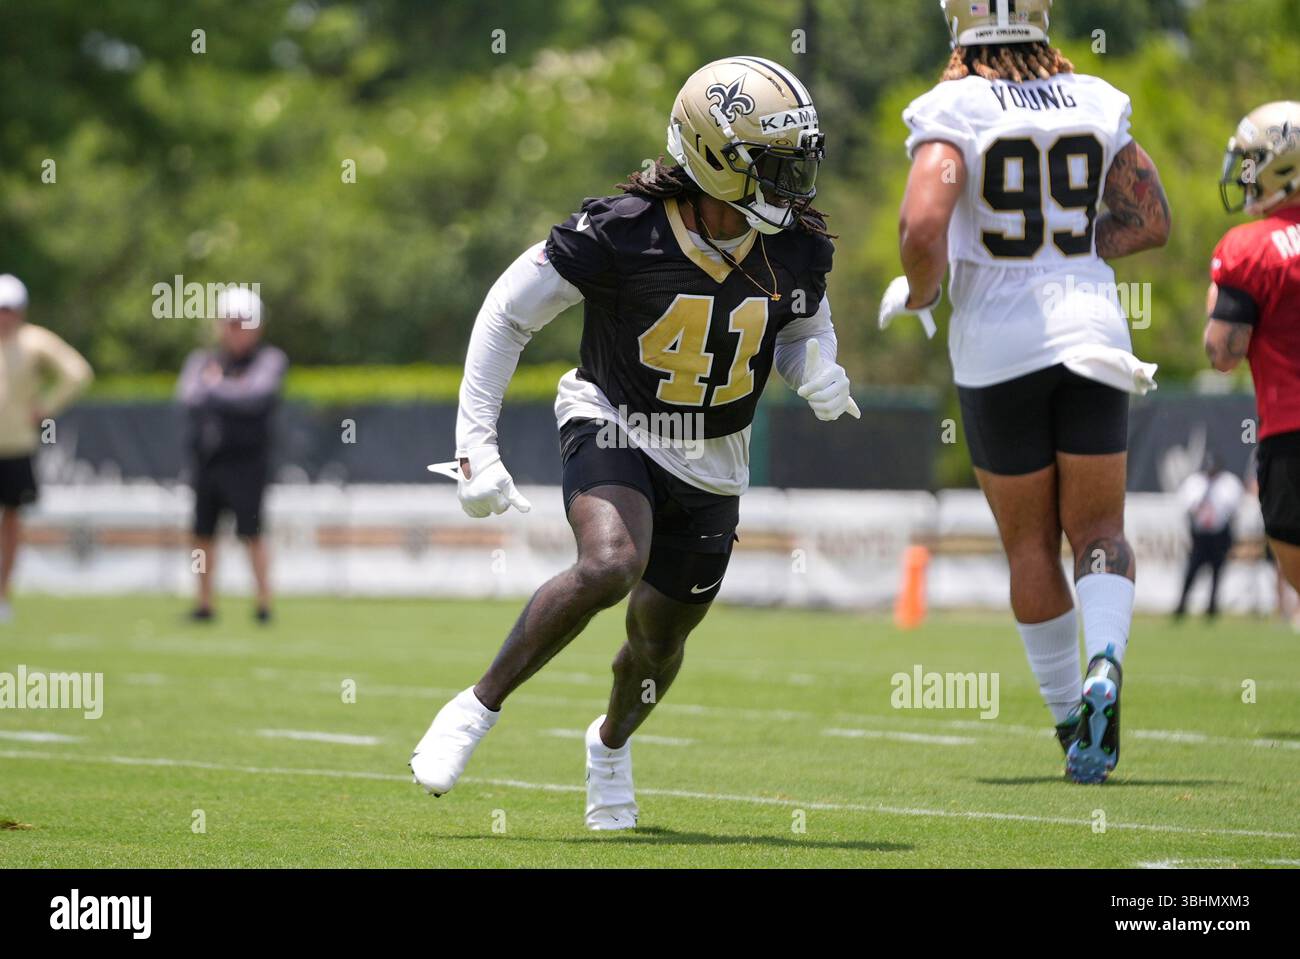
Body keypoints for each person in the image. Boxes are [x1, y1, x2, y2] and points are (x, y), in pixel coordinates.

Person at [410, 57, 858, 829]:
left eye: (798, 160)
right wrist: (474, 445)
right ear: (715, 157)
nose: (793, 181)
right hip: (616, 419)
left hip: (714, 455)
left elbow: (800, 330)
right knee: (612, 561)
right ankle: (476, 706)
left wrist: (817, 366)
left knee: (658, 642)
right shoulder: (620, 231)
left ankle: (610, 743)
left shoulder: (797, 245)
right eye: (774, 163)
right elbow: (507, 313)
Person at [881, 0, 1170, 784]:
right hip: (1093, 332)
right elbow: (1150, 219)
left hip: (998, 349)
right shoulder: (1094, 98)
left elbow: (921, 227)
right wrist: (1070, 250)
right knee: (1100, 529)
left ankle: (1072, 719)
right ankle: (1105, 661)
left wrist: (921, 291)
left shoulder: (954, 107)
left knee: (1030, 545)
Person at [1206, 100, 1300, 596]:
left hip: (1291, 433)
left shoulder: (1250, 248)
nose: (1243, 177)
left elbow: (1222, 354)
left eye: (1250, 166)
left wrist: (1216, 306)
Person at [177, 288, 287, 624]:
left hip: (248, 462)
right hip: (209, 460)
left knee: (252, 532)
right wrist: (230, 390)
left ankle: (263, 603)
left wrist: (215, 387)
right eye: (229, 323)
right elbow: (188, 396)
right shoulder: (202, 360)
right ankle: (204, 603)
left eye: (241, 324)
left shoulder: (269, 359)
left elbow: (255, 397)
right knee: (202, 534)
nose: (234, 331)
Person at [0, 274, 94, 623]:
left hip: (16, 447)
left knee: (12, 522)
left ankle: (2, 594)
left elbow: (78, 373)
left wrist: (46, 407)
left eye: (9, 309)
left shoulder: (34, 342)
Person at [1173, 454, 1244, 620]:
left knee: (1217, 572)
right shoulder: (1195, 482)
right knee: (1191, 571)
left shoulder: (1229, 483)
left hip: (1220, 535)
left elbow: (1232, 508)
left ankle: (1212, 608)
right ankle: (1181, 606)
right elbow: (1187, 505)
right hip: (1200, 536)